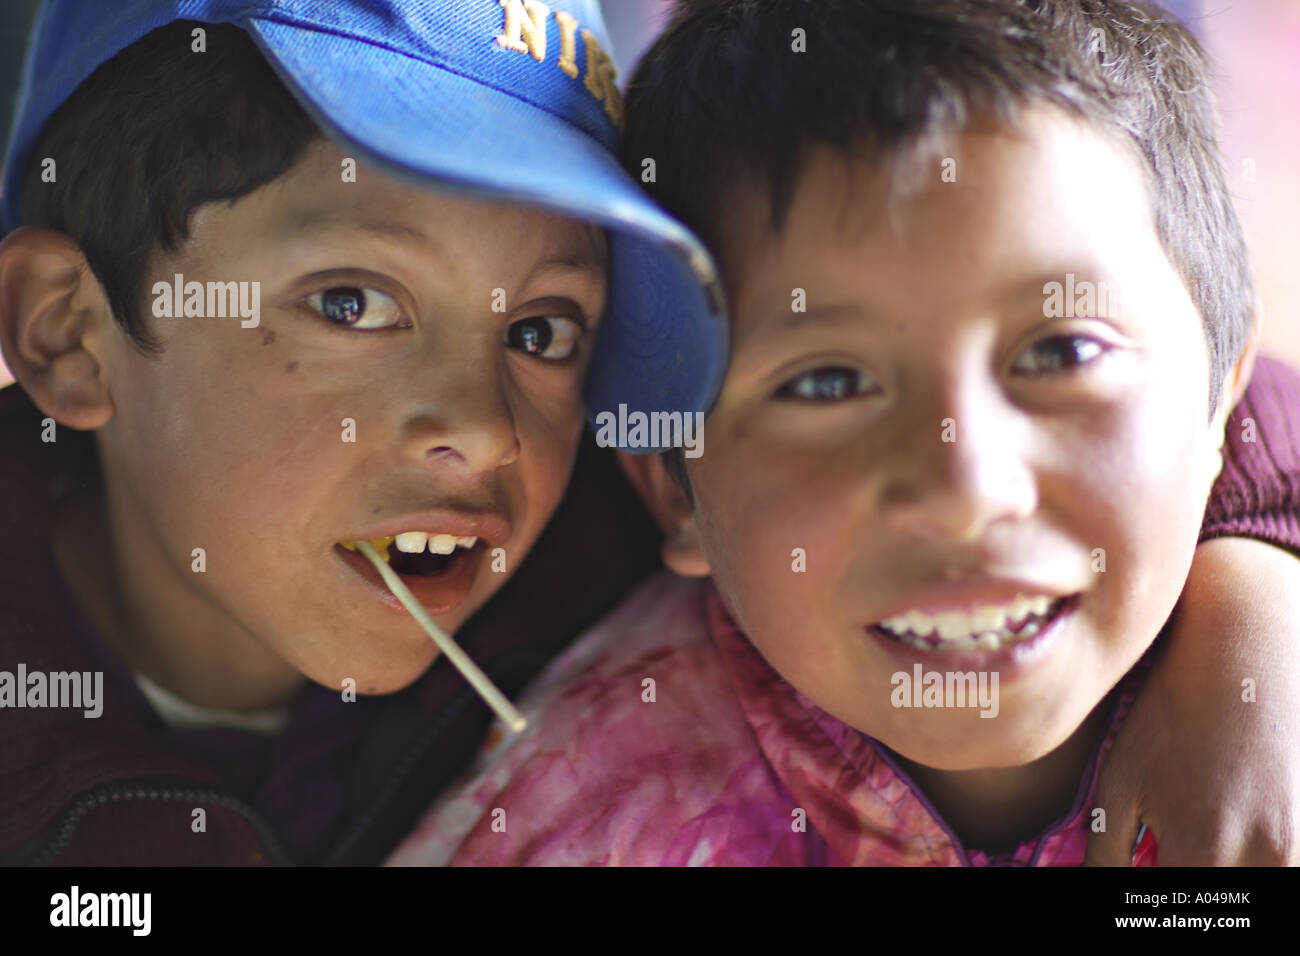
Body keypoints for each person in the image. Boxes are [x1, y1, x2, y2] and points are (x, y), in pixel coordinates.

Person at [386, 0, 1300, 866]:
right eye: (827, 382)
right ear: (671, 483)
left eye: (1062, 349)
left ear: (1222, 392)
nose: (964, 491)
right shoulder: (577, 830)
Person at [0, 0, 725, 864]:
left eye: (541, 332)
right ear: (70, 335)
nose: (487, 430)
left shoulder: (656, 637)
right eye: (353, 304)